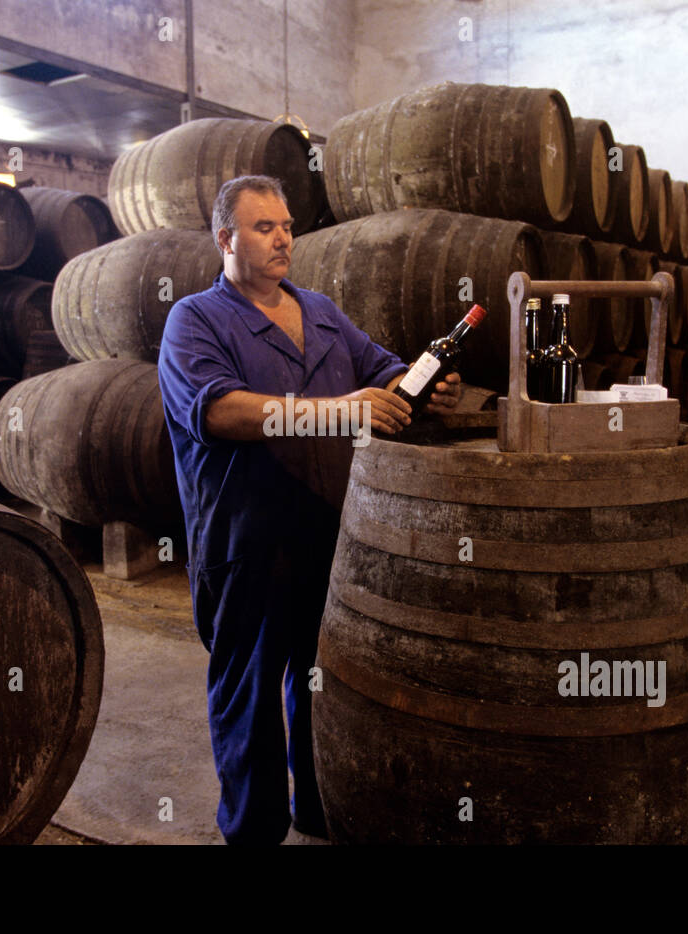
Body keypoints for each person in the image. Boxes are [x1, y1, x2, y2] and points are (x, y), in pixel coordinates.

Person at [157, 175, 461, 844]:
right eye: (263, 228)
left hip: (327, 526)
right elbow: (218, 410)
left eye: (287, 226)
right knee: (250, 691)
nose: (282, 239)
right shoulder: (196, 319)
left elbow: (378, 367)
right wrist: (339, 410)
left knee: (319, 679)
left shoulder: (319, 308)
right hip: (246, 537)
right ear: (225, 239)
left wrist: (421, 384)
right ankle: (253, 828)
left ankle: (318, 808)